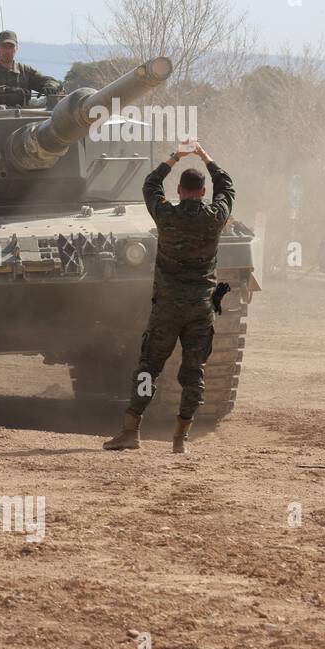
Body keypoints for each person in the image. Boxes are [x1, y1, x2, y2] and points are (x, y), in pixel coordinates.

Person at [103, 140, 236, 453]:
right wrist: (205, 156)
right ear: (203, 192)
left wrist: (175, 156)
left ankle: (131, 431)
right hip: (201, 309)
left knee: (149, 367)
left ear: (179, 191)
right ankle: (180, 439)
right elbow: (226, 185)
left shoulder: (165, 215)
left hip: (167, 309)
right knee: (194, 372)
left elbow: (150, 183)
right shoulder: (216, 217)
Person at [0, 30, 62, 104]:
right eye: (4, 47)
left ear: (16, 48)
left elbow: (51, 81)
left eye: (11, 47)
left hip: (24, 115)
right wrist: (6, 90)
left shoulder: (25, 71)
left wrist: (50, 87)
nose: (7, 51)